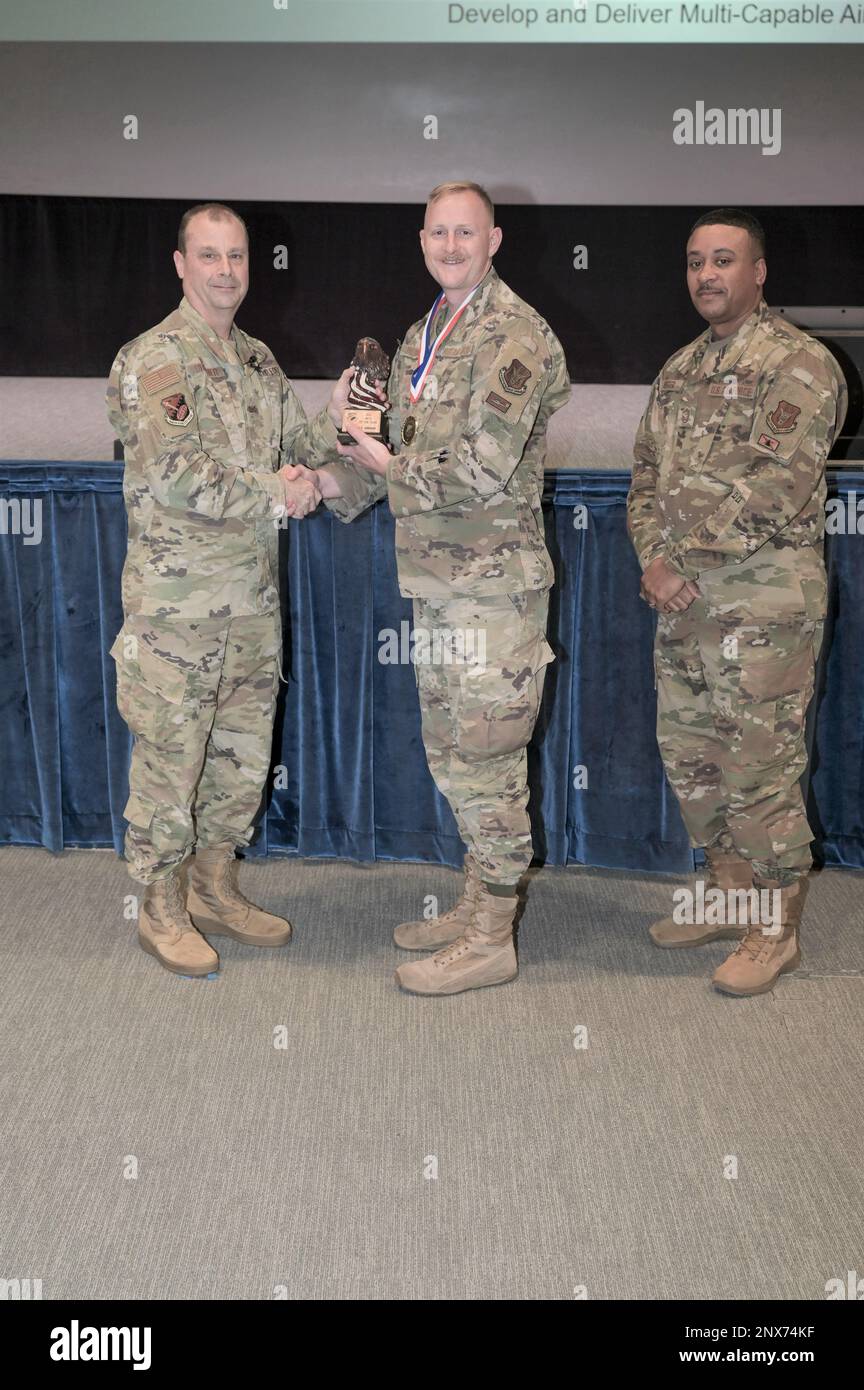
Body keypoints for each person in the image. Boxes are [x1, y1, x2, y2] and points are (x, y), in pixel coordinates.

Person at [294, 180, 570, 996]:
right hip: (439, 589)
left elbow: (480, 467)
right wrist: (323, 479)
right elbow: (381, 457)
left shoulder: (515, 334)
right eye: (438, 233)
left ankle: (492, 938)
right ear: (422, 241)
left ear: (495, 241)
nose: (452, 246)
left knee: (488, 762)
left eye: (467, 233)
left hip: (493, 593)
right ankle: (478, 902)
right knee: (455, 759)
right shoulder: (423, 336)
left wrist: (383, 465)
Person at [106, 202, 349, 977]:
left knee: (239, 763)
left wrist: (337, 422)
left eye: (236, 256)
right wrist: (284, 490)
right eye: (208, 256)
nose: (225, 271)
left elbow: (294, 449)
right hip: (179, 616)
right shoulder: (155, 360)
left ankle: (212, 886)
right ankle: (159, 906)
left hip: (250, 609)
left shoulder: (256, 361)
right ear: (181, 265)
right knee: (172, 762)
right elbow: (182, 476)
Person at [627, 208, 847, 996]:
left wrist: (676, 560)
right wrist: (655, 560)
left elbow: (776, 487)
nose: (706, 275)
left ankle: (775, 930)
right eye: (695, 262)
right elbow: (644, 476)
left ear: (758, 272)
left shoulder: (801, 364)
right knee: (694, 763)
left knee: (760, 770)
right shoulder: (680, 369)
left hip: (762, 614)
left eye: (724, 260)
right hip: (683, 608)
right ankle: (729, 895)